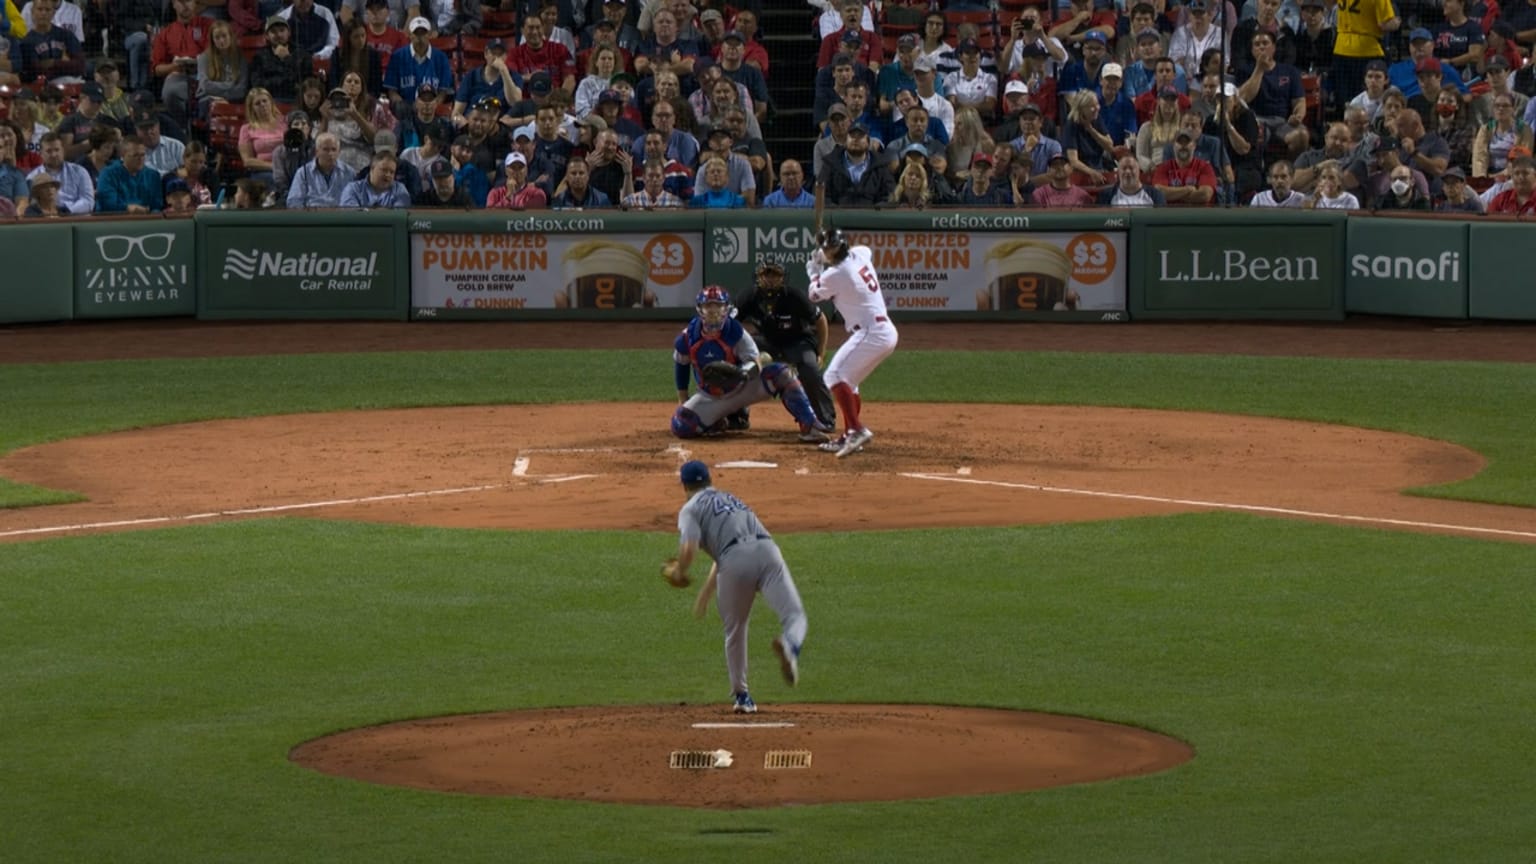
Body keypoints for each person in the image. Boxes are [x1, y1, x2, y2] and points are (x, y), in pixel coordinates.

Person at [667, 459, 808, 716]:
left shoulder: (690, 509)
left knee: (736, 629)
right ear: (710, 480)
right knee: (795, 615)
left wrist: (679, 571)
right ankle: (790, 645)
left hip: (734, 562)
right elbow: (724, 552)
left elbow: (690, 550)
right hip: (767, 552)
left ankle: (743, 697)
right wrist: (705, 593)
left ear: (684, 485)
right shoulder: (731, 499)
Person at [669, 284, 826, 442]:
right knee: (681, 425)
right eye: (708, 306)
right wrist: (683, 401)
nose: (713, 311)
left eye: (718, 306)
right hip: (710, 395)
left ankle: (809, 425)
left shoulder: (735, 332)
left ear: (726, 309)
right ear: (700, 309)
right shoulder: (688, 337)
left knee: (781, 374)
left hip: (742, 388)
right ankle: (717, 421)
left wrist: (741, 373)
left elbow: (755, 363)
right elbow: (681, 365)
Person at [805, 227, 898, 458]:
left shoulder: (835, 274)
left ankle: (856, 429)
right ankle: (849, 435)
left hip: (871, 331)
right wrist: (826, 251)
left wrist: (815, 270)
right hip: (882, 330)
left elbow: (814, 295)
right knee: (849, 382)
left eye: (831, 248)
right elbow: (862, 250)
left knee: (833, 376)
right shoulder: (860, 254)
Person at [731, 261, 837, 432]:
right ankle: (737, 416)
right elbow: (730, 323)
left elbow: (820, 320)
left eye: (775, 275)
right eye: (766, 275)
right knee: (734, 358)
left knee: (809, 369)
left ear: (783, 278)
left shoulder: (794, 296)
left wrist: (821, 352)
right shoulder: (749, 296)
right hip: (767, 341)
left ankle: (825, 419)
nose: (770, 279)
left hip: (798, 341)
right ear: (759, 277)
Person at [1330, 0, 1398, 109]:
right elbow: (1384, 24)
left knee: (1345, 100)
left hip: (1341, 48)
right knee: (1367, 98)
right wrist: (1397, 22)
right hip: (1367, 49)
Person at [94, 134, 162, 213]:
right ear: (123, 155)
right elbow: (107, 202)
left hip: (146, 220)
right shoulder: (108, 174)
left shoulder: (153, 176)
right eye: (135, 155)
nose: (140, 159)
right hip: (114, 221)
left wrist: (150, 212)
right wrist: (127, 208)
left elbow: (157, 205)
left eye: (142, 155)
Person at [26, 130, 90, 213]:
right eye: (49, 151)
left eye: (57, 150)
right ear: (41, 153)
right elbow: (32, 205)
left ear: (63, 150)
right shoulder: (32, 177)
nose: (54, 154)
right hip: (47, 220)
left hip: (77, 219)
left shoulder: (80, 172)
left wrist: (66, 212)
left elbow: (88, 202)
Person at [198, 20, 250, 119]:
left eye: (224, 36)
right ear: (212, 40)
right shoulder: (204, 58)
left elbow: (242, 90)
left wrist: (223, 97)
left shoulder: (240, 58)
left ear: (230, 36)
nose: (221, 41)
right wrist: (229, 85)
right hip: (209, 100)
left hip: (234, 100)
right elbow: (205, 86)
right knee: (218, 108)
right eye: (217, 37)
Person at [1153, 127, 1218, 205]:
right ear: (1173, 145)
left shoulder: (1205, 167)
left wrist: (1172, 195)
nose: (1183, 146)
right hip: (1171, 215)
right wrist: (1188, 189)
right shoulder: (1163, 168)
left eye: (1187, 142)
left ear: (1194, 145)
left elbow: (1205, 195)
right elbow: (1159, 193)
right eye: (1180, 142)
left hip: (1199, 215)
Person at [1473, 95, 1533, 179]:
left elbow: (1522, 158)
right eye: (1497, 106)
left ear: (1513, 109)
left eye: (1505, 106)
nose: (1501, 109)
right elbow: (1479, 156)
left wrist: (1504, 174)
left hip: (1513, 175)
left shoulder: (1523, 129)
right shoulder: (1486, 128)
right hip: (1489, 174)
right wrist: (1481, 177)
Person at [286, 131, 346, 207]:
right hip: (311, 217)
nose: (330, 153)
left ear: (338, 152)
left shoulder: (348, 172)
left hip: (340, 216)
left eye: (334, 149)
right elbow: (293, 202)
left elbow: (353, 201)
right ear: (316, 152)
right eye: (326, 149)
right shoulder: (303, 173)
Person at [339, 148, 410, 207]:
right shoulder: (353, 189)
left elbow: (398, 217)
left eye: (392, 172)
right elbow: (350, 216)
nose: (388, 175)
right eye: (384, 170)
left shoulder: (400, 190)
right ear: (372, 169)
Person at [1097, 153, 1166, 206]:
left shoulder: (1155, 195)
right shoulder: (1106, 195)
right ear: (1118, 172)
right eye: (1124, 168)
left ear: (1139, 170)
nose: (1127, 171)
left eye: (1131, 168)